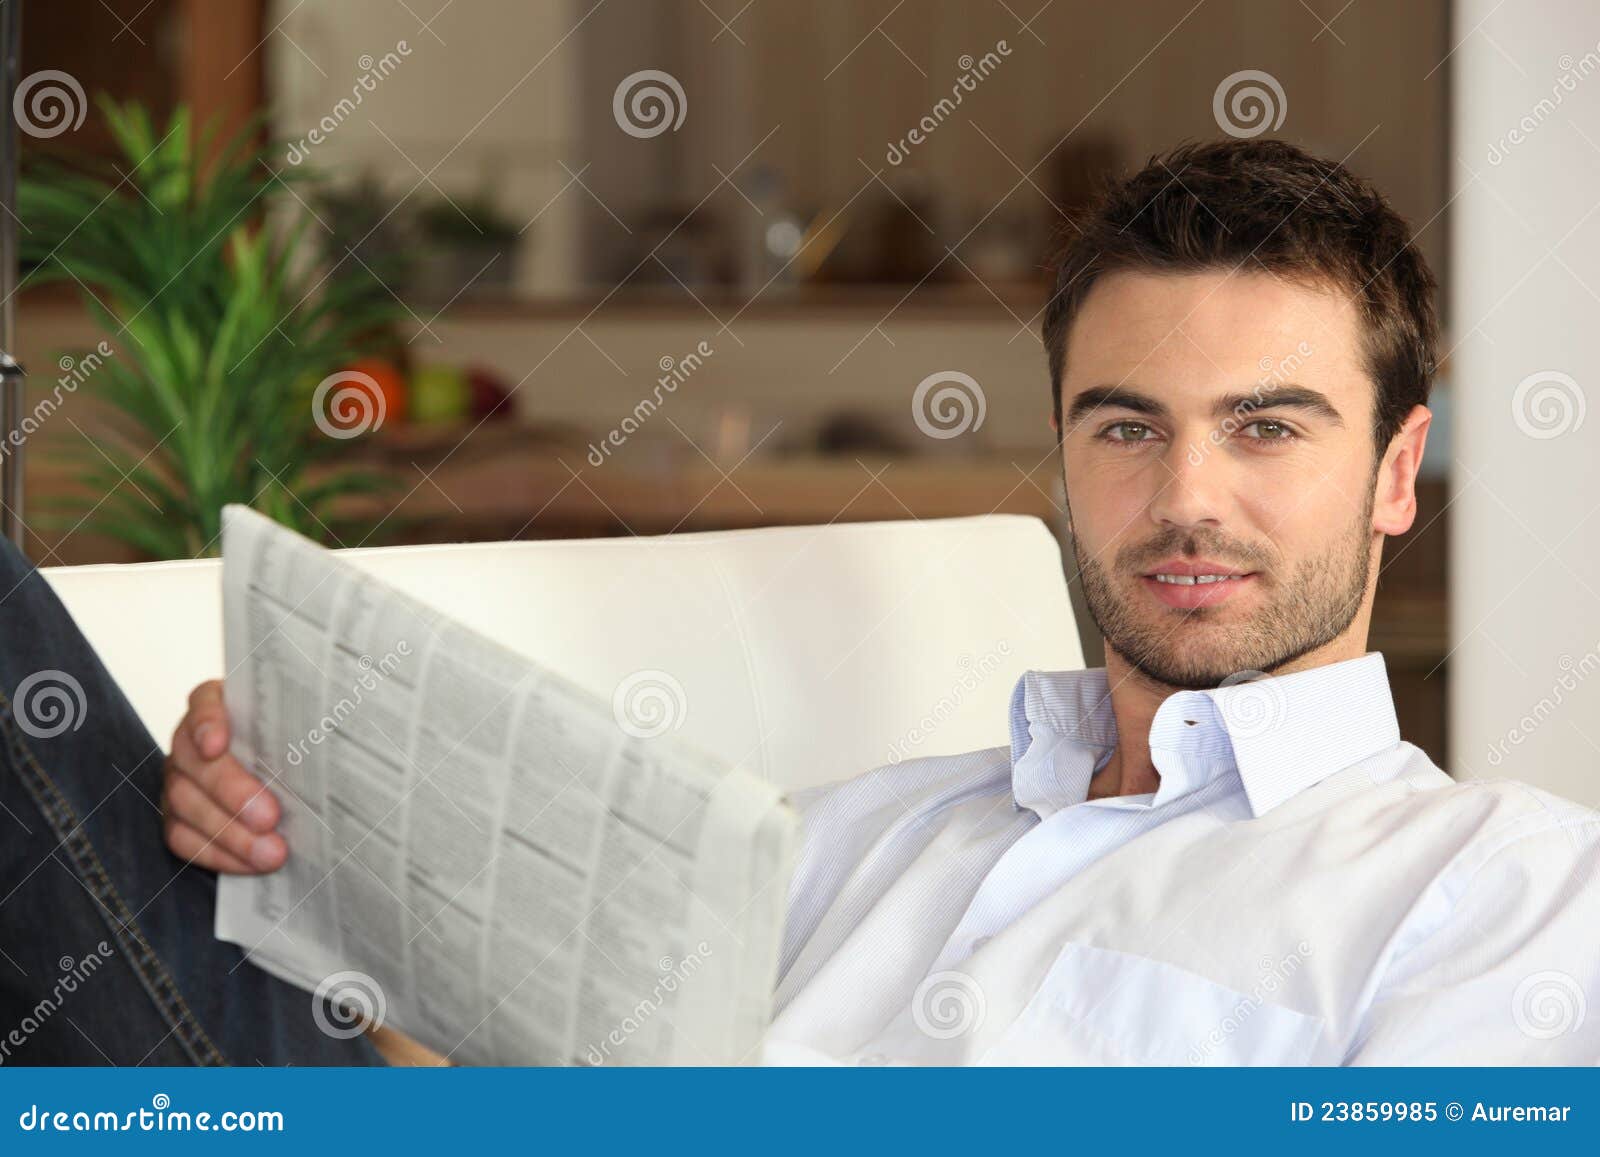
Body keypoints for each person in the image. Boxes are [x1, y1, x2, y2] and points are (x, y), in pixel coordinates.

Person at [2, 138, 1595, 1065]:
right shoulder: (867, 831)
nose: (1187, 496)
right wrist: (279, 815)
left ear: (1398, 470)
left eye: (1267, 427)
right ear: (1061, 454)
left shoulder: (1506, 888)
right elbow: (491, 1009)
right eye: (1126, 425)